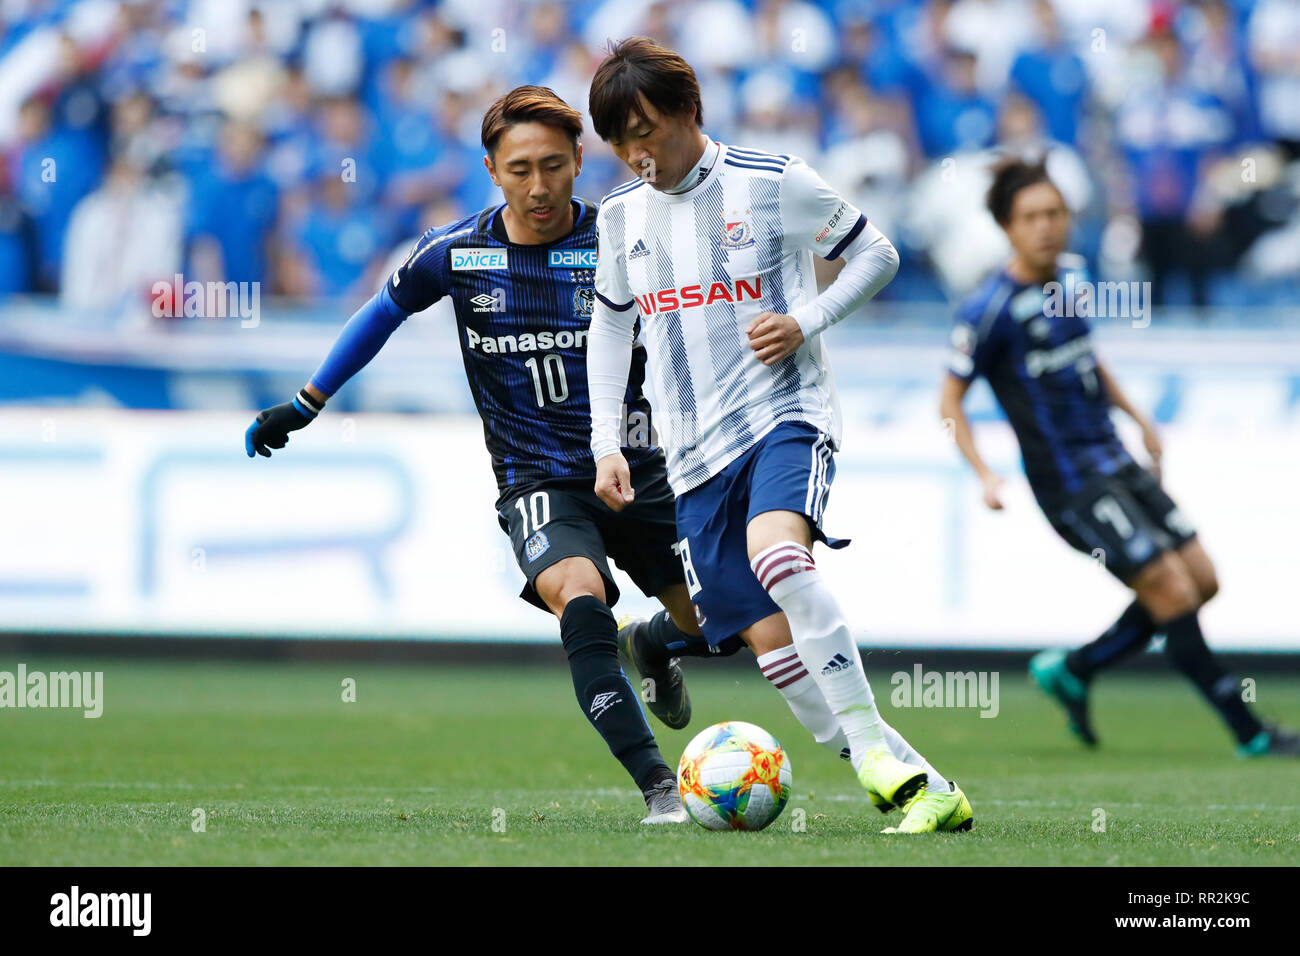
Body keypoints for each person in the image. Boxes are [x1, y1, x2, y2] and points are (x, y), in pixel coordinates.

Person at [245, 86, 719, 824]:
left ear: (579, 162)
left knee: (726, 623)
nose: (539, 187)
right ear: (492, 169)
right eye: (521, 168)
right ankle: (660, 786)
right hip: (536, 478)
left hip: (635, 466)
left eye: (555, 166)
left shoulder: (622, 238)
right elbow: (380, 314)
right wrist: (308, 401)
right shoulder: (456, 252)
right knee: (577, 595)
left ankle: (656, 644)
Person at [585, 37, 972, 834]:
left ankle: (869, 751)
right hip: (691, 456)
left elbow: (877, 252)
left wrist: (806, 319)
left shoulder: (773, 183)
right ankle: (924, 786)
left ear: (691, 110)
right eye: (620, 140)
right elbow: (609, 329)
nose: (636, 153)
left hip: (784, 416)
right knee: (772, 643)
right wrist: (606, 442)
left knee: (780, 554)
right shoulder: (621, 216)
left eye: (647, 130)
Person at [939, 157, 1299, 757]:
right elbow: (949, 398)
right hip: (1069, 484)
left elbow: (1086, 357)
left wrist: (1139, 419)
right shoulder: (988, 311)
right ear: (1007, 227)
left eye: (1055, 213)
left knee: (1204, 580)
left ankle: (1078, 667)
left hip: (1115, 460)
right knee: (1174, 592)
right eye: (1031, 217)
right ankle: (1251, 732)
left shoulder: (1072, 280)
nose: (1047, 227)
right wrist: (983, 474)